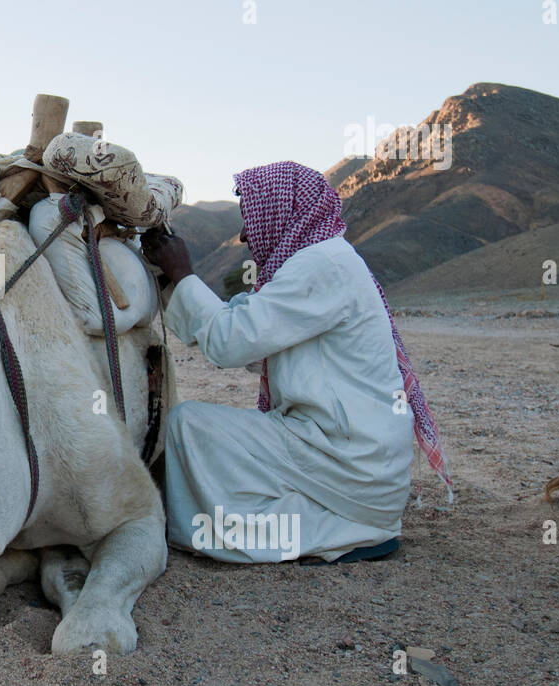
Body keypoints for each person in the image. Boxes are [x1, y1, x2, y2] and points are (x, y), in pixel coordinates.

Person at [141, 161, 452, 563]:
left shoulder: (321, 266)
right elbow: (240, 323)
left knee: (188, 424)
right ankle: (347, 526)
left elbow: (231, 342)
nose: (244, 234)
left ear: (283, 212)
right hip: (356, 460)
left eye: (251, 218)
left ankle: (228, 531)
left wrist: (183, 273)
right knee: (214, 436)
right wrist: (172, 282)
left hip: (351, 462)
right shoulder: (322, 261)